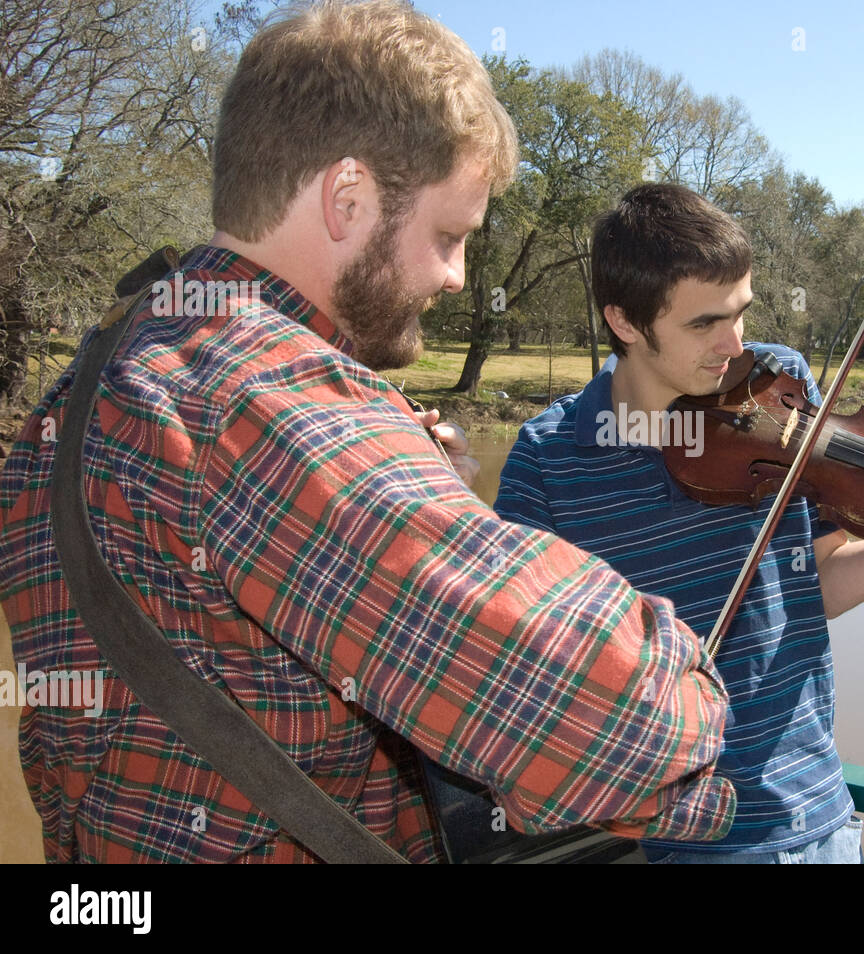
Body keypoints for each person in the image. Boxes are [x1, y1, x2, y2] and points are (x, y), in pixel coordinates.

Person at [0, 2, 735, 863]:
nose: (458, 277)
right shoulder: (269, 399)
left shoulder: (88, 382)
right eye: (448, 235)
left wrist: (422, 494)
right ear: (347, 198)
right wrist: (700, 704)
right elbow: (626, 731)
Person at [493, 183, 864, 863]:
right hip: (687, 842)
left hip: (819, 818)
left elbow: (815, 585)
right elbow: (522, 666)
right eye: (704, 324)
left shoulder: (778, 388)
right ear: (627, 322)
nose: (735, 345)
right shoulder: (549, 462)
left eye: (741, 314)